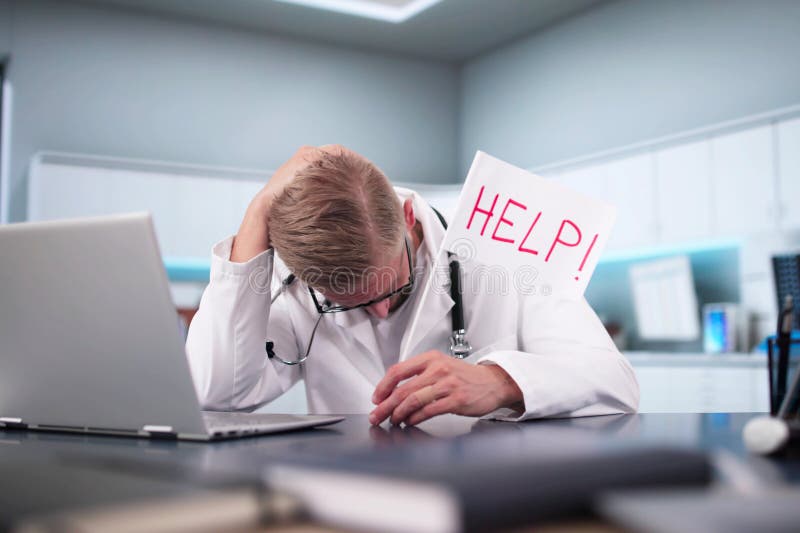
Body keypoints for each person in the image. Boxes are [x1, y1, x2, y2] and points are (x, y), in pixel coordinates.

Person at [186, 145, 639, 426]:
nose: (381, 315)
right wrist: (256, 215)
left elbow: (616, 383)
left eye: (389, 290)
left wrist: (499, 381)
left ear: (406, 218)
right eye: (344, 304)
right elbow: (216, 394)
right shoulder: (298, 289)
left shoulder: (504, 258)